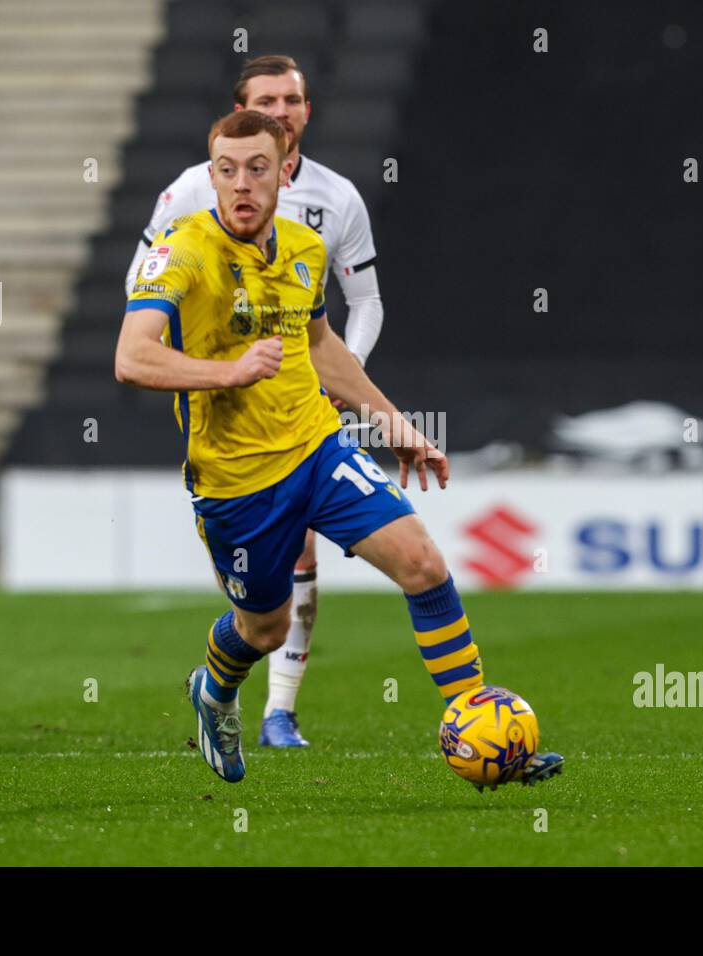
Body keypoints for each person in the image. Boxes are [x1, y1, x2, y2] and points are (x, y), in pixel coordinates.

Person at [114, 109, 562, 786]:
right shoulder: (182, 251)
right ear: (211, 175)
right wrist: (227, 372)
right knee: (265, 630)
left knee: (423, 563)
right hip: (238, 483)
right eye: (227, 171)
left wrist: (393, 423)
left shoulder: (302, 247)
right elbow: (131, 356)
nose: (241, 184)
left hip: (318, 450)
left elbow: (320, 347)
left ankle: (488, 732)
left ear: (284, 172)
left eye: (257, 169)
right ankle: (214, 689)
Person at [125, 55, 385, 749]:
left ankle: (280, 710)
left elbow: (362, 303)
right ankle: (238, 676)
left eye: (292, 98)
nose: (281, 109)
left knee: (315, 549)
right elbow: (142, 288)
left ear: (306, 112)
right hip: (227, 402)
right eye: (266, 98)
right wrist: (213, 365)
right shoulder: (190, 190)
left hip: (307, 402)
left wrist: (343, 375)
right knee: (270, 584)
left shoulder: (339, 198)